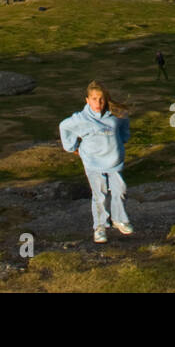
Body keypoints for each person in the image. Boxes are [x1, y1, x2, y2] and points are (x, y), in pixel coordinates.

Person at [59, 80, 132, 243]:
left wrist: (122, 139)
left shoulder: (115, 115)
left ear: (105, 99)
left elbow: (124, 122)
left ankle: (119, 220)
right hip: (93, 163)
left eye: (101, 99)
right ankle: (99, 227)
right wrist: (72, 147)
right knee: (100, 195)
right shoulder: (82, 119)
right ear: (87, 100)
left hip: (114, 161)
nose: (97, 103)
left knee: (120, 190)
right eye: (93, 99)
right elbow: (64, 126)